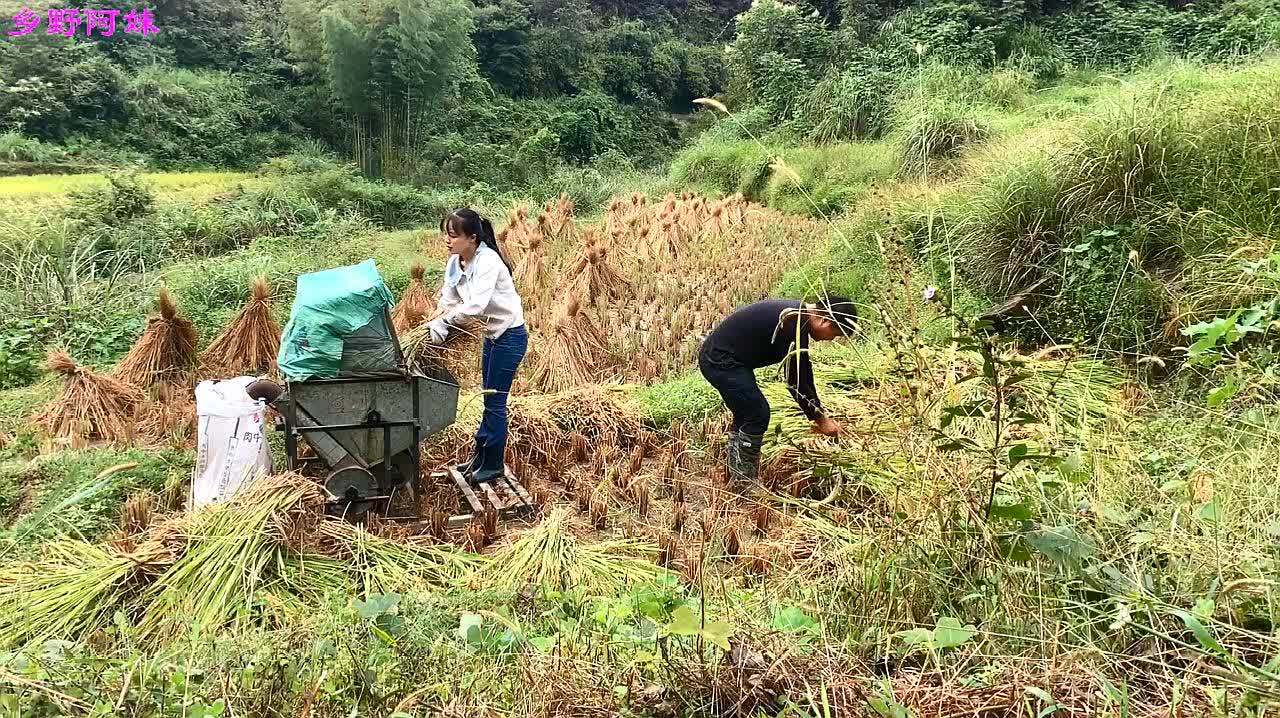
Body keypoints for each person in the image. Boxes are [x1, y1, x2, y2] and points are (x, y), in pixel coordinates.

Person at [698, 296, 858, 485]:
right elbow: (796, 379)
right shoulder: (793, 322)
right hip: (720, 361)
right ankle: (745, 482)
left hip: (723, 358)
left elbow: (802, 370)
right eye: (834, 333)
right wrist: (821, 420)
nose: (830, 339)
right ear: (824, 320)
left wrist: (818, 412)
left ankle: (737, 473)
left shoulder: (797, 317)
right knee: (757, 414)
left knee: (746, 414)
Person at [428, 208, 527, 485]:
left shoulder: (488, 261)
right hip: (491, 336)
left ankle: (492, 464)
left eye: (453, 235)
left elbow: (476, 305)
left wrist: (447, 321)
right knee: (487, 399)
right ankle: (479, 459)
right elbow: (448, 298)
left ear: (472, 238)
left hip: (509, 336)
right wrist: (437, 319)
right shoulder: (455, 262)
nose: (447, 240)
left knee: (495, 403)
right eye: (446, 234)